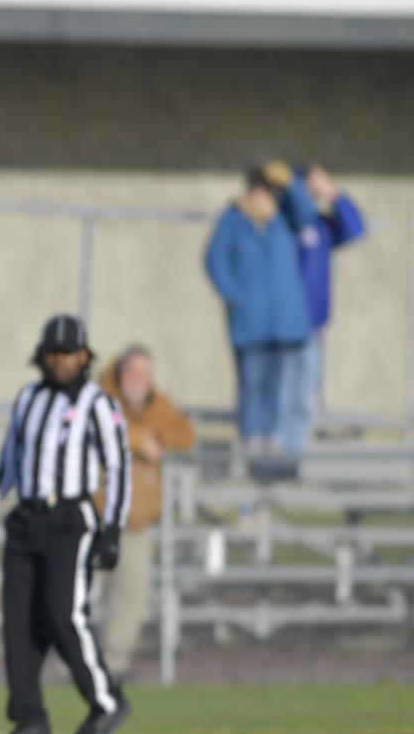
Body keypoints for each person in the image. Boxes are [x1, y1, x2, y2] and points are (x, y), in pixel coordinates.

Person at [0, 315, 132, 734]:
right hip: (26, 518)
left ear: (83, 356)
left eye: (68, 353)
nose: (60, 361)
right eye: (53, 353)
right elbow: (9, 462)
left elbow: (118, 466)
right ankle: (29, 716)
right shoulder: (28, 399)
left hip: (70, 518)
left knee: (63, 614)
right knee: (18, 622)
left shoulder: (98, 403)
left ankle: (106, 700)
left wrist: (113, 527)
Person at [203, 160, 317, 479]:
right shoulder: (234, 221)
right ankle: (252, 443)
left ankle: (276, 447)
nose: (264, 196)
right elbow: (214, 261)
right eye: (260, 189)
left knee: (279, 387)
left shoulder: (283, 219)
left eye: (269, 190)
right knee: (252, 384)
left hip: (282, 324)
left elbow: (307, 212)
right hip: (250, 325)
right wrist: (237, 297)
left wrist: (291, 183)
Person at [96, 347, 195, 666]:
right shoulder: (101, 397)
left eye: (144, 373)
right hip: (94, 520)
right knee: (77, 595)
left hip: (136, 524)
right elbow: (101, 426)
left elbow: (185, 434)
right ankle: (70, 662)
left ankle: (112, 668)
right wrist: (140, 440)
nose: (138, 380)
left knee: (130, 597)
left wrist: (156, 436)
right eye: (132, 372)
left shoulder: (157, 405)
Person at [291, 163, 367, 457]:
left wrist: (333, 192)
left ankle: (301, 451)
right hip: (284, 327)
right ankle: (285, 456)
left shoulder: (321, 226)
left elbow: (355, 228)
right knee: (287, 395)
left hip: (314, 326)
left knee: (309, 392)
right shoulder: (284, 224)